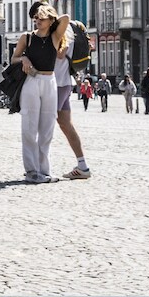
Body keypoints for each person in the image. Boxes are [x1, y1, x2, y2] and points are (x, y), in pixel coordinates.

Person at [11, 3, 70, 184]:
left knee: (47, 127)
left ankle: (44, 169)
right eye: (35, 18)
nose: (37, 21)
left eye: (41, 18)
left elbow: (66, 18)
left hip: (49, 81)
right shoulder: (27, 37)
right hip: (32, 81)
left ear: (50, 20)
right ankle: (31, 171)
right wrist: (24, 58)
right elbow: (13, 59)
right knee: (29, 126)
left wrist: (48, 12)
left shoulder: (54, 37)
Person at [51, 21, 92, 181]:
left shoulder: (61, 30)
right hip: (66, 82)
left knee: (44, 124)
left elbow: (61, 53)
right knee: (66, 125)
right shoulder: (71, 28)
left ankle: (40, 168)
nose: (37, 23)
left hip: (57, 83)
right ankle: (82, 166)